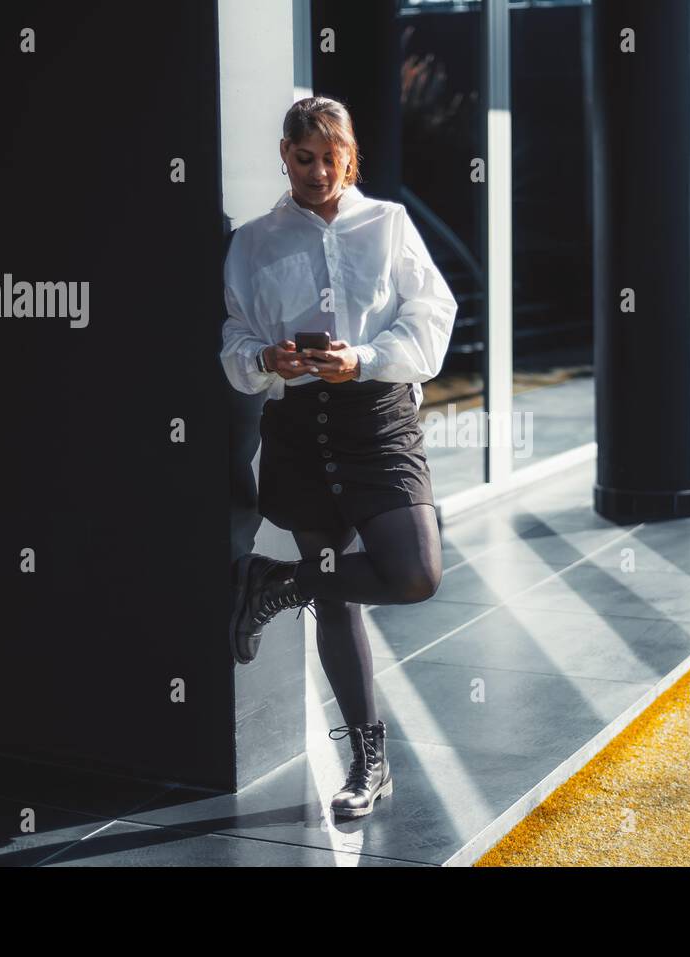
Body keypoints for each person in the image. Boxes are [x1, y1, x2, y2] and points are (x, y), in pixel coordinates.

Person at [219, 96, 458, 819]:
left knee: (416, 572)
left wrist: (365, 357)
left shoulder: (388, 224)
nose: (318, 171)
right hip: (299, 422)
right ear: (285, 158)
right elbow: (233, 336)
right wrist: (268, 356)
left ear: (350, 158)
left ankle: (272, 581)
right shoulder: (255, 242)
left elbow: (432, 316)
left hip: (380, 418)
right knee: (337, 599)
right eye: (303, 157)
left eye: (331, 157)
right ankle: (368, 761)